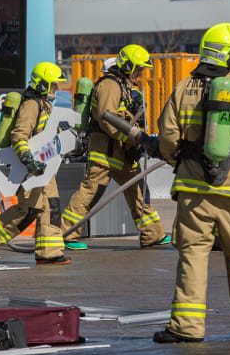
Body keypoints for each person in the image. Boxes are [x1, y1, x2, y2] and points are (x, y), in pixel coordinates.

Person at [153, 23, 230, 343]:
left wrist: (181, 163)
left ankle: (187, 327)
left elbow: (167, 138)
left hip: (194, 190)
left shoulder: (184, 87)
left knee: (193, 255)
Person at [60, 44, 168, 250]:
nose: (140, 74)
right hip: (105, 151)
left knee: (139, 190)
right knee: (91, 190)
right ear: (127, 66)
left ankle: (152, 233)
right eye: (138, 69)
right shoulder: (110, 85)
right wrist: (134, 139)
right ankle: (66, 234)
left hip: (123, 152)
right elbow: (107, 119)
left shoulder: (125, 87)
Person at [0, 62, 71, 265]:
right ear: (43, 84)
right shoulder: (31, 105)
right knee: (29, 209)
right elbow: (19, 135)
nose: (56, 89)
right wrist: (28, 161)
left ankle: (50, 252)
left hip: (45, 168)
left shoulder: (45, 105)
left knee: (51, 207)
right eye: (53, 85)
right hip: (31, 168)